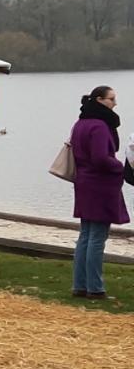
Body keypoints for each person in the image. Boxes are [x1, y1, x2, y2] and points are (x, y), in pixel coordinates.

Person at [70, 85, 128, 299]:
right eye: (111, 99)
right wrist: (120, 167)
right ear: (99, 100)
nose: (115, 103)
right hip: (100, 185)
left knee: (85, 235)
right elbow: (101, 158)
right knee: (97, 238)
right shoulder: (100, 127)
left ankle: (80, 285)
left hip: (83, 183)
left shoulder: (80, 124)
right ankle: (95, 288)